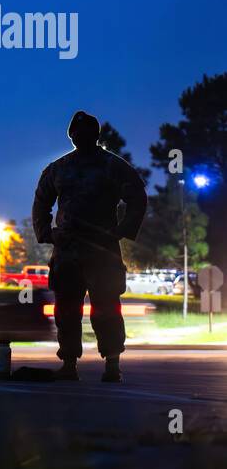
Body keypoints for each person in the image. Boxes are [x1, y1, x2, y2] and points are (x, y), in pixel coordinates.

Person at [31, 111, 147, 382]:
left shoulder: (112, 166)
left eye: (87, 132)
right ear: (71, 136)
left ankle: (112, 364)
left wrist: (121, 231)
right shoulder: (57, 169)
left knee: (106, 308)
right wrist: (48, 233)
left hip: (101, 251)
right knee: (67, 310)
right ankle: (69, 363)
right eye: (77, 132)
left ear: (96, 136)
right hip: (68, 250)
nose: (81, 136)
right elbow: (41, 202)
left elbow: (137, 197)